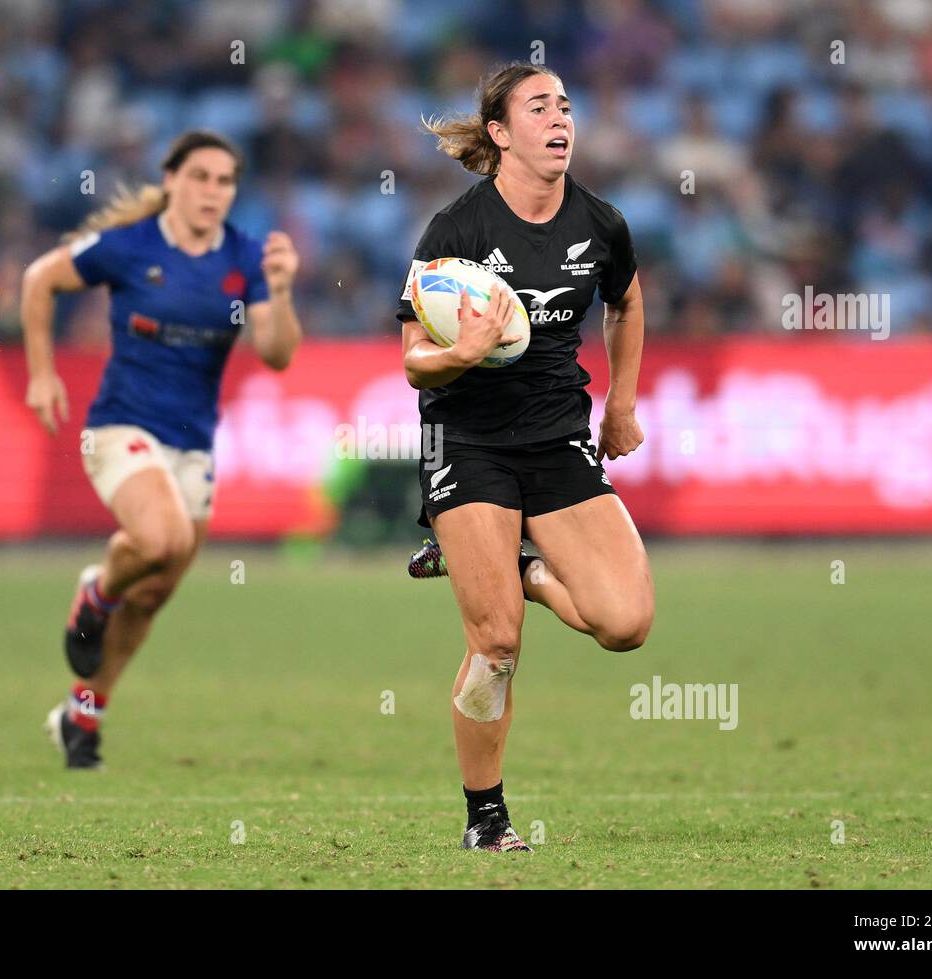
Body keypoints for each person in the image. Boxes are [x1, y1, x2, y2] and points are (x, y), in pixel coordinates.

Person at [396, 63, 654, 851]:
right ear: (501, 134)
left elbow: (628, 298)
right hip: (465, 442)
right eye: (539, 106)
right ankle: (486, 819)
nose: (561, 118)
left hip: (557, 441)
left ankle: (528, 567)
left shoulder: (601, 223)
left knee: (627, 623)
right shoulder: (457, 230)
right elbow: (411, 357)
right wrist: (463, 350)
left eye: (567, 106)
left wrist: (621, 405)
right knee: (497, 644)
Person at [20, 130, 302, 768]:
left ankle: (83, 714)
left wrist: (281, 291)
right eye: (199, 177)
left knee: (153, 593)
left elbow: (278, 355)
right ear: (170, 179)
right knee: (163, 540)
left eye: (225, 181)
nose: (212, 191)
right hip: (122, 427)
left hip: (193, 446)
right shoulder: (130, 247)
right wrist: (42, 373)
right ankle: (95, 592)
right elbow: (40, 279)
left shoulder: (246, 257)